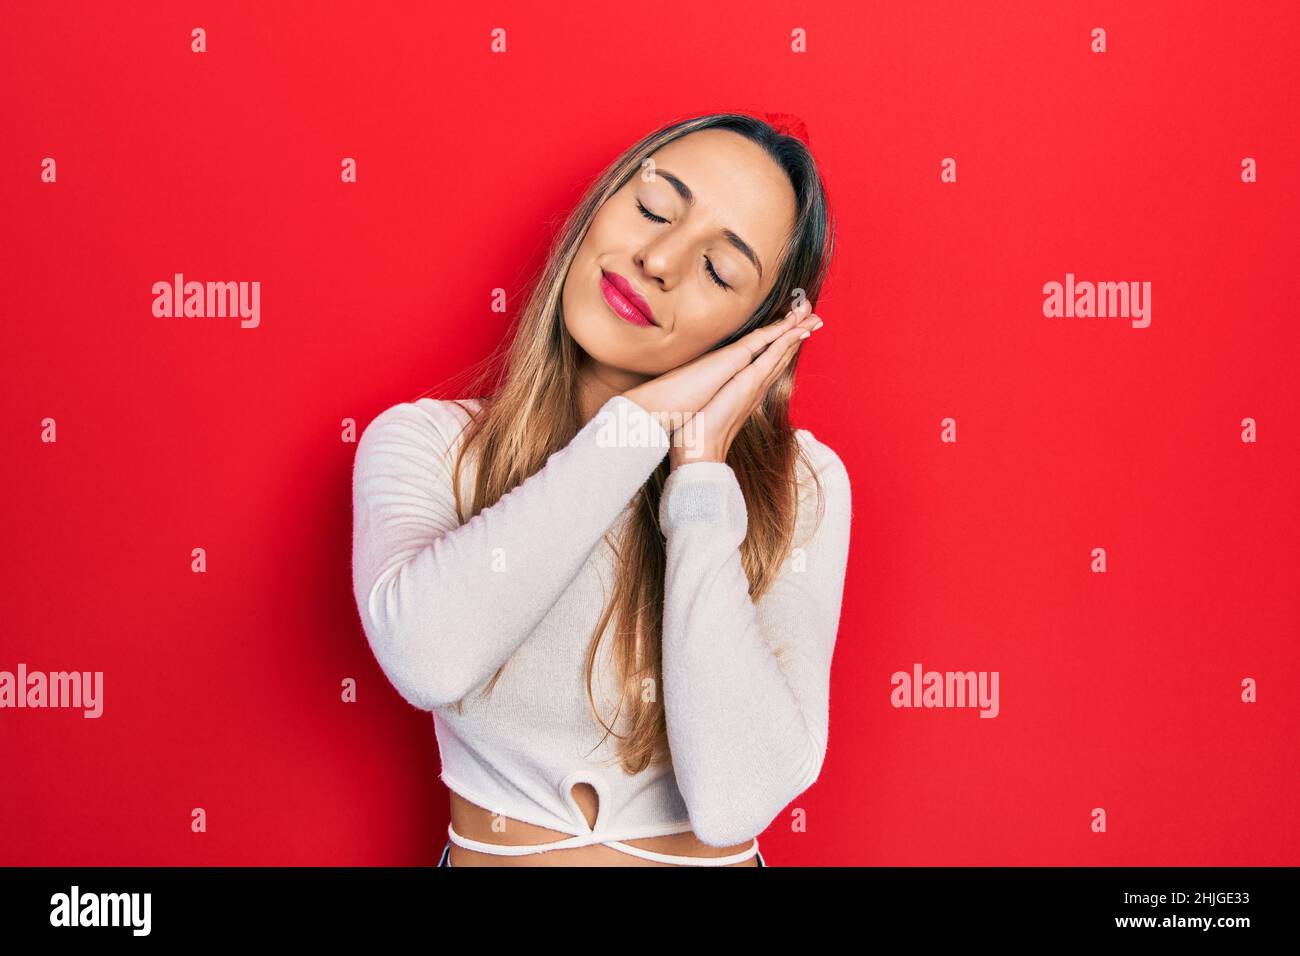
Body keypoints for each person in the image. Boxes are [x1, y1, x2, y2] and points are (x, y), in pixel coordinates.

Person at [351, 112, 852, 866]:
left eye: (720, 270)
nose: (658, 259)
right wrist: (636, 424)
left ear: (756, 330)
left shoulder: (798, 485)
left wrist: (700, 475)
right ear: (602, 204)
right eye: (654, 209)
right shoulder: (428, 446)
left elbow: (735, 796)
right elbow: (430, 658)